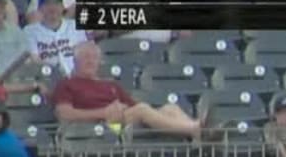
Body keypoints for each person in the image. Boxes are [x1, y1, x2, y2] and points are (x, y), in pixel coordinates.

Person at [52, 42, 203, 139]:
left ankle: (196, 133)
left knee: (170, 108)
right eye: (85, 57)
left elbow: (132, 107)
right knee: (142, 110)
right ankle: (194, 129)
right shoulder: (67, 84)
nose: (90, 61)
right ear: (75, 61)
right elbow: (64, 114)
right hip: (101, 126)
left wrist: (121, 109)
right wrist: (103, 113)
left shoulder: (110, 84)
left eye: (94, 57)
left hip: (123, 121)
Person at [23, 0, 86, 76]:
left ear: (62, 7)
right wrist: (55, 70)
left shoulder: (75, 26)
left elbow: (85, 54)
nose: (52, 8)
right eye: (47, 4)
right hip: (47, 77)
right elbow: (34, 58)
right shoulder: (30, 31)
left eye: (56, 3)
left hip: (76, 77)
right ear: (40, 8)